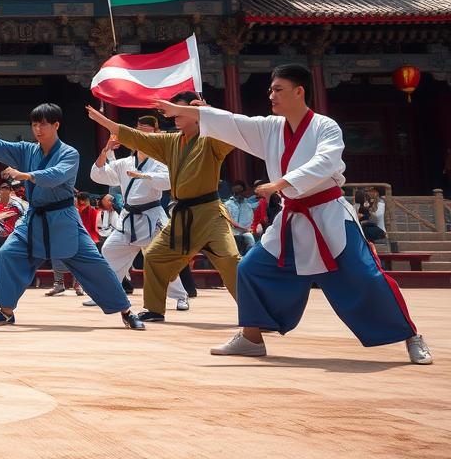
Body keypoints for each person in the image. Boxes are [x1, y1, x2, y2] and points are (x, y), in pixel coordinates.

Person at [154, 64, 431, 365]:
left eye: (278, 89)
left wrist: (281, 184)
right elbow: (234, 123)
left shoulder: (326, 127)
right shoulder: (271, 127)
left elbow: (325, 162)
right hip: (293, 218)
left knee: (367, 277)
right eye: (271, 89)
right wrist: (184, 110)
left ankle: (411, 336)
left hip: (329, 216)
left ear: (299, 91)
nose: (271, 95)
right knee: (249, 269)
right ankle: (251, 338)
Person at [0, 105, 143, 330]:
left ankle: (126, 311)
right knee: (8, 254)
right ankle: (6, 311)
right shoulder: (27, 151)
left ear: (56, 125)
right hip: (33, 218)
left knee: (96, 266)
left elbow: (56, 175)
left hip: (64, 219)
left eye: (43, 124)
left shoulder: (70, 153)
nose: (38, 129)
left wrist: (28, 175)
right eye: (34, 124)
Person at [86, 94, 240, 324]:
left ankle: (256, 310)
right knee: (156, 257)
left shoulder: (212, 139)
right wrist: (106, 122)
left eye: (179, 110)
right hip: (179, 214)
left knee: (230, 260)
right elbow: (136, 137)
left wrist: (210, 112)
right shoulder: (170, 142)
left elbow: (232, 132)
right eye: (172, 109)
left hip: (208, 213)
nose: (175, 115)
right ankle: (154, 308)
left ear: (197, 115)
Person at [85, 117, 188, 311]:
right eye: (139, 132)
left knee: (161, 258)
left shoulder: (159, 161)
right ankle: (106, 293)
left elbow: (168, 181)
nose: (142, 136)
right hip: (128, 218)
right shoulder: (124, 163)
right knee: (109, 250)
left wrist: (144, 176)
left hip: (151, 217)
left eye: (146, 132)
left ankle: (180, 296)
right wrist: (105, 150)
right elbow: (98, 174)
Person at [225, 180, 258, 253]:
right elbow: (230, 221)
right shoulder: (227, 205)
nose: (238, 194)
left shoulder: (248, 203)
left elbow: (259, 206)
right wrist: (244, 229)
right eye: (236, 192)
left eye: (240, 191)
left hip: (248, 232)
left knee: (250, 240)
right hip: (233, 233)